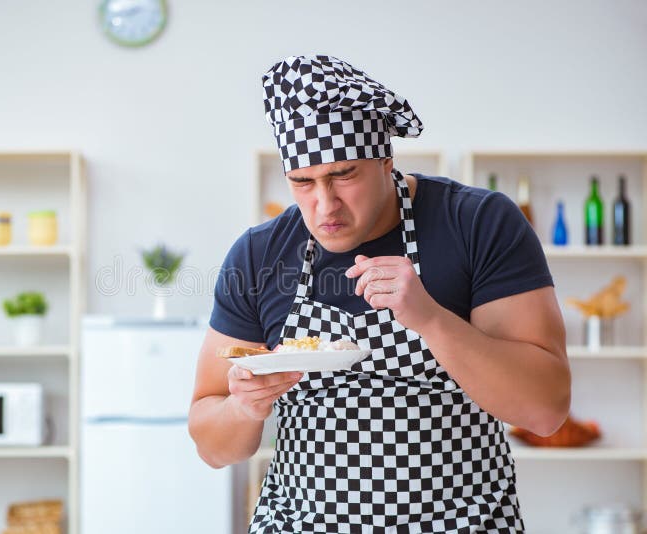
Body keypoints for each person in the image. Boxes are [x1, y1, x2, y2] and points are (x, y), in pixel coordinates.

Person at [188, 55, 570, 532]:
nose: (324, 206)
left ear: (386, 160)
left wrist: (431, 318)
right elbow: (211, 445)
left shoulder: (478, 224)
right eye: (302, 183)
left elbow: (546, 410)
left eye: (343, 175)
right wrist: (244, 407)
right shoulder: (258, 255)